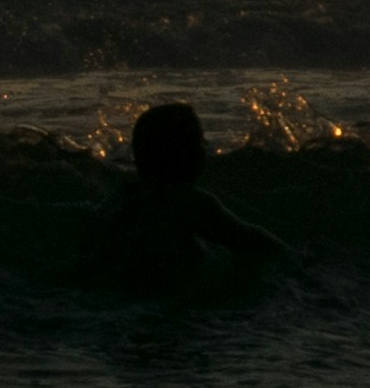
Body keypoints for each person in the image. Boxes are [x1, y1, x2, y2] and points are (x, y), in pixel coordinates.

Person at [80, 101, 291, 293]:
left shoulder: (125, 197)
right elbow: (246, 238)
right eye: (199, 142)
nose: (205, 149)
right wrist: (295, 258)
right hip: (170, 290)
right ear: (184, 154)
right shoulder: (191, 202)